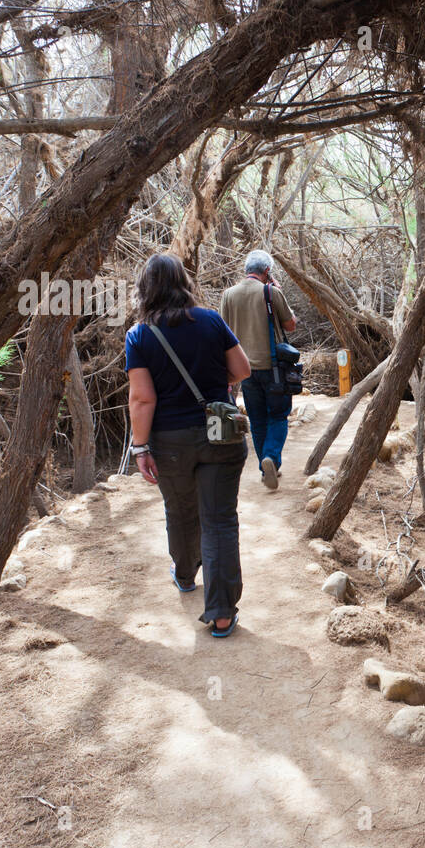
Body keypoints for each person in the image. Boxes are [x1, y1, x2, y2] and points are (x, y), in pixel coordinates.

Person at [125, 254, 252, 637]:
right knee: (219, 521)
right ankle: (222, 612)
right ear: (184, 282)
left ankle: (184, 576)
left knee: (180, 511)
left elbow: (142, 399)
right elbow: (243, 370)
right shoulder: (211, 320)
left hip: (170, 442)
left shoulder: (140, 335)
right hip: (220, 437)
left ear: (145, 289)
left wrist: (140, 448)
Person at [220, 249, 297, 490]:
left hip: (243, 370)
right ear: (267, 271)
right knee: (278, 415)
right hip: (273, 368)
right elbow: (290, 325)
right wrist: (278, 292)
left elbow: (222, 334)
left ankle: (266, 470)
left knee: (258, 418)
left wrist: (227, 376)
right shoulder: (271, 292)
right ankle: (271, 458)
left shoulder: (228, 295)